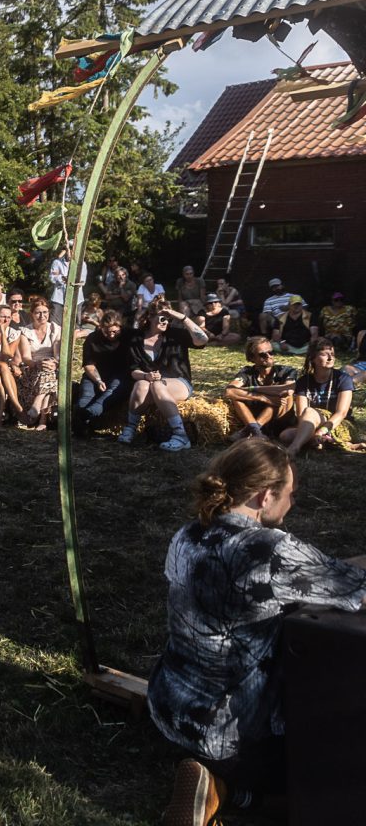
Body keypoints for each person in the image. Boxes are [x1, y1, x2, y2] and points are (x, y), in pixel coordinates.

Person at [147, 441, 366, 826]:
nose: (293, 504)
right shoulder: (267, 550)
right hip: (230, 732)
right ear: (265, 496)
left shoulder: (187, 534)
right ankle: (226, 789)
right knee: (333, 771)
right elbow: (353, 587)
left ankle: (220, 784)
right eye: (290, 495)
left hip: (169, 709)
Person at [121, 302, 208, 451]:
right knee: (141, 384)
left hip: (179, 382)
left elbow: (203, 339)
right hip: (151, 383)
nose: (165, 321)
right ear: (150, 317)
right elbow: (133, 370)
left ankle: (181, 435)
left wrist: (182, 317)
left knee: (157, 385)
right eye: (162, 317)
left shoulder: (176, 335)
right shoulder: (136, 339)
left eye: (168, 318)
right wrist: (146, 375)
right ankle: (131, 427)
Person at [279, 338, 354, 456]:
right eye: (325, 354)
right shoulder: (304, 381)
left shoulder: (343, 379)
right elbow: (300, 414)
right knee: (285, 436)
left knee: (309, 412)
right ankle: (323, 442)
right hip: (311, 423)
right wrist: (314, 432)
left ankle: (294, 448)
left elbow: (341, 413)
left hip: (339, 424)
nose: (330, 358)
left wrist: (321, 431)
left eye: (332, 354)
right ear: (313, 358)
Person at [224, 336, 297, 442]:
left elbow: (287, 389)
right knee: (236, 398)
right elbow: (229, 391)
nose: (269, 356)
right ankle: (256, 431)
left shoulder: (286, 371)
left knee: (283, 396)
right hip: (255, 415)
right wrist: (263, 398)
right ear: (252, 358)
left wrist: (252, 389)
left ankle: (250, 430)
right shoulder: (247, 373)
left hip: (281, 422)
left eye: (271, 352)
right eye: (263, 354)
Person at [76, 310, 132, 433]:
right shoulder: (93, 338)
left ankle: (90, 414)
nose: (111, 335)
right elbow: (89, 365)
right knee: (86, 396)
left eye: (115, 332)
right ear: (101, 327)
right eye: (107, 332)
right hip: (95, 374)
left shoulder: (127, 336)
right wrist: (98, 380)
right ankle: (82, 419)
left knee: (111, 392)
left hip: (119, 375)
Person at [18, 299, 62, 430]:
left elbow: (57, 354)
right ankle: (43, 420)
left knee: (48, 370)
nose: (42, 316)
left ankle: (38, 407)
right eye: (38, 313)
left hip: (51, 365)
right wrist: (37, 364)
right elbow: (26, 357)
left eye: (45, 312)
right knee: (47, 373)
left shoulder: (55, 329)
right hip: (32, 366)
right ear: (32, 314)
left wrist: (55, 363)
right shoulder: (25, 331)